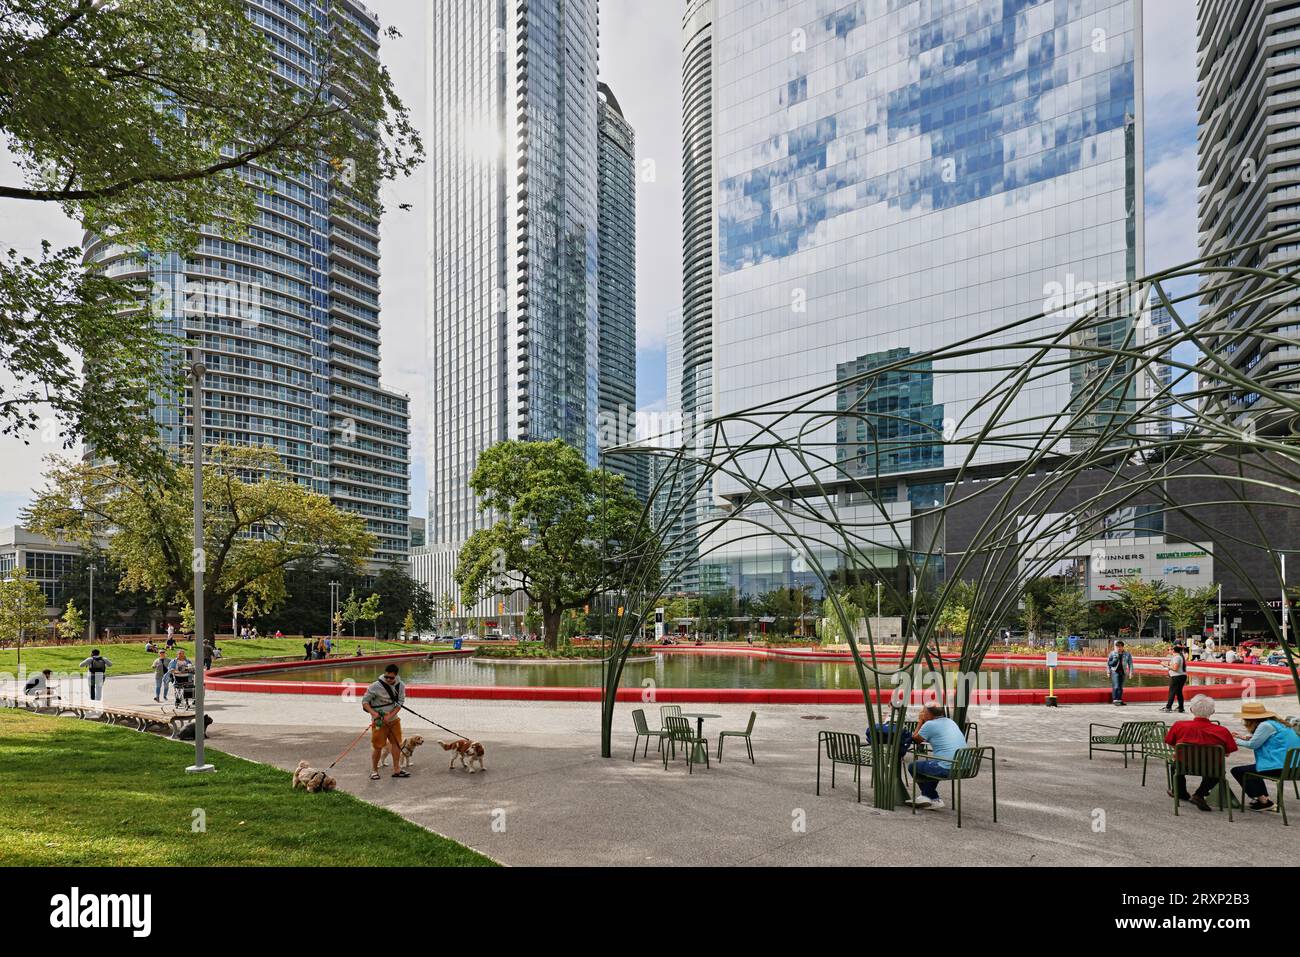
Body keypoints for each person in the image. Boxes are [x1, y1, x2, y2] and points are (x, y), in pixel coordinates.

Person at [1163, 695, 1237, 811]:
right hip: (1211, 769)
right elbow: (1226, 754)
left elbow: (1171, 744)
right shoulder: (1222, 731)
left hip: (1184, 765)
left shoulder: (1179, 725)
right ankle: (1199, 794)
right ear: (1212, 711)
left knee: (1174, 765)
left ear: (1191, 710)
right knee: (1219, 772)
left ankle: (1180, 792)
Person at [1230, 701, 1300, 812]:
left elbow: (1253, 745)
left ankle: (1264, 802)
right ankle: (1263, 800)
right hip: (1295, 768)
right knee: (1254, 768)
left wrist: (1234, 740)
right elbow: (1265, 739)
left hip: (1281, 768)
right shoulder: (1276, 723)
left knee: (1239, 771)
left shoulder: (1265, 725)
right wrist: (1244, 738)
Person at [904, 705, 968, 810]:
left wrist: (920, 721)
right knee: (932, 765)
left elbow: (916, 739)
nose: (922, 714)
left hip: (949, 766)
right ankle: (930, 797)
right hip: (966, 765)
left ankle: (929, 797)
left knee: (913, 766)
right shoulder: (950, 721)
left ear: (929, 714)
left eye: (923, 712)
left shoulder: (929, 724)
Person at [362, 663, 408, 780]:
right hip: (379, 722)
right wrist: (374, 713)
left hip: (393, 720)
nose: (388, 679)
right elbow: (365, 702)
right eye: (386, 676)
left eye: (391, 678)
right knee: (378, 746)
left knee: (397, 744)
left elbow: (400, 702)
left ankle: (397, 769)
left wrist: (391, 715)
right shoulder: (375, 686)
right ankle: (374, 770)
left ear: (396, 676)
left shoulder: (401, 685)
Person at [1161, 642, 1188, 713]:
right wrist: (1166, 664)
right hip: (1181, 676)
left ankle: (1168, 707)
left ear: (1173, 650)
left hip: (1177, 677)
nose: (1168, 651)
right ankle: (1181, 708)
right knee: (1178, 692)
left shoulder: (1177, 657)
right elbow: (1174, 666)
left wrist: (1165, 665)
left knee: (1172, 692)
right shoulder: (1178, 657)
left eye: (1169, 649)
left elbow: (1175, 668)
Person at [1107, 640, 1133, 706]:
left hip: (1123, 672)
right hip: (1114, 671)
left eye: (1120, 646)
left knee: (1120, 687)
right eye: (1117, 646)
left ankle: (1120, 700)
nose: (1119, 648)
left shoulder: (1127, 654)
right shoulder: (1112, 653)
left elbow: (1130, 664)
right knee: (1116, 686)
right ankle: (1115, 700)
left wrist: (1130, 672)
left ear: (1123, 647)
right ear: (1115, 647)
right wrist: (1108, 672)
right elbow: (1108, 663)